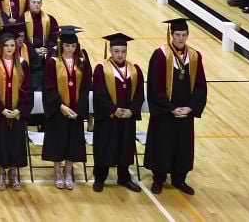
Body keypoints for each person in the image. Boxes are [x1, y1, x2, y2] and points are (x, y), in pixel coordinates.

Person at [145, 18, 208, 195]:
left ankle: (179, 179)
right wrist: (170, 107)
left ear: (188, 35)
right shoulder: (161, 55)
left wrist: (190, 108)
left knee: (183, 146)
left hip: (185, 112)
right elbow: (154, 85)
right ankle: (159, 179)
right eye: (177, 35)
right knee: (163, 144)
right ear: (170, 35)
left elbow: (200, 85)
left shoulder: (194, 56)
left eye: (184, 35)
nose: (181, 38)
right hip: (166, 112)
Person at [92, 32, 144, 192]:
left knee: (125, 147)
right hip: (108, 118)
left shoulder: (135, 70)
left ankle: (124, 178)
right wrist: (113, 110)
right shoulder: (102, 69)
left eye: (123, 51)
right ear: (110, 51)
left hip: (127, 118)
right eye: (116, 51)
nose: (120, 55)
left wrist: (132, 110)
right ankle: (100, 179)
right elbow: (99, 95)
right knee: (104, 147)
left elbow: (139, 94)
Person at [42, 26, 90, 190]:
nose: (70, 49)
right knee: (58, 141)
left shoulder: (82, 61)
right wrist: (60, 106)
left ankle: (68, 171)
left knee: (73, 141)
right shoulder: (53, 62)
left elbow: (85, 86)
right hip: (58, 110)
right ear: (61, 45)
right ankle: (57, 172)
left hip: (76, 110)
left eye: (73, 46)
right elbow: (49, 86)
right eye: (67, 46)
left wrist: (79, 108)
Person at [0, 28, 31, 191]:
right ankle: (2, 173)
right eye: (7, 45)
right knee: (1, 143)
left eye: (12, 45)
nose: (10, 48)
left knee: (16, 144)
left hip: (17, 113)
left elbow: (26, 89)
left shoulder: (23, 63)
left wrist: (20, 109)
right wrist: (1, 109)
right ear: (1, 47)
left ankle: (14, 173)